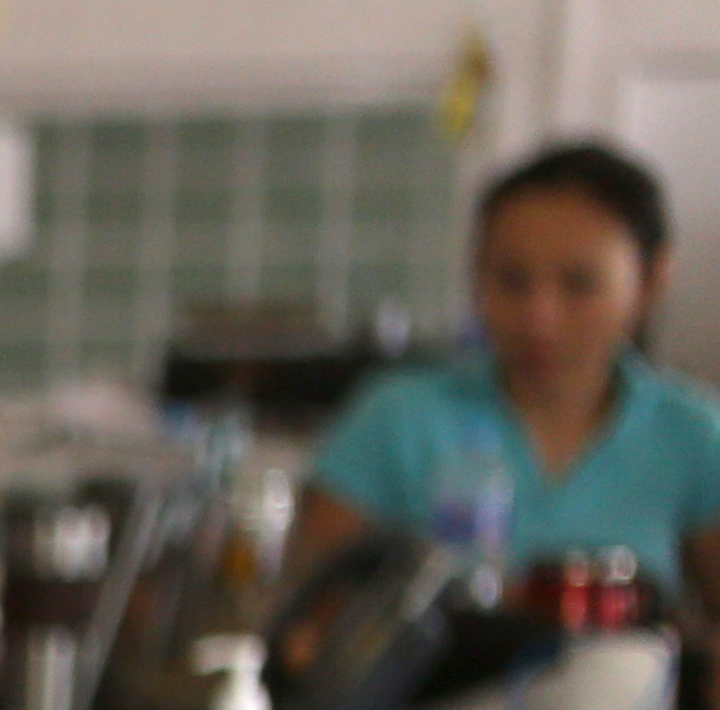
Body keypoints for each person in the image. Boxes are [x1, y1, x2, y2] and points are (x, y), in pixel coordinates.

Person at [297, 140, 720, 613]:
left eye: (579, 283)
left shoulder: (694, 434)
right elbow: (309, 616)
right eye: (511, 280)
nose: (539, 319)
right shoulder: (397, 417)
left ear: (652, 280)